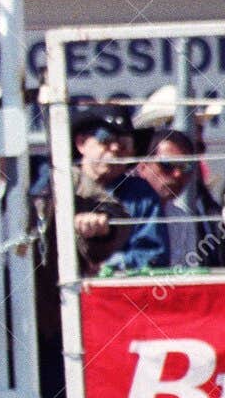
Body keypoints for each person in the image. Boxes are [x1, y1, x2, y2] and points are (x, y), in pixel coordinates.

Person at [64, 111, 167, 276]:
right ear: (81, 143)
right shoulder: (58, 187)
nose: (115, 148)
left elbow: (153, 255)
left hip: (121, 293)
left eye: (124, 144)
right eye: (105, 140)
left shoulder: (142, 194)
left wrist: (106, 267)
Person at [137, 129, 225, 271]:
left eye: (186, 167)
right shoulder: (123, 212)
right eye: (167, 165)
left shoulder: (182, 218)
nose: (177, 174)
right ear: (143, 167)